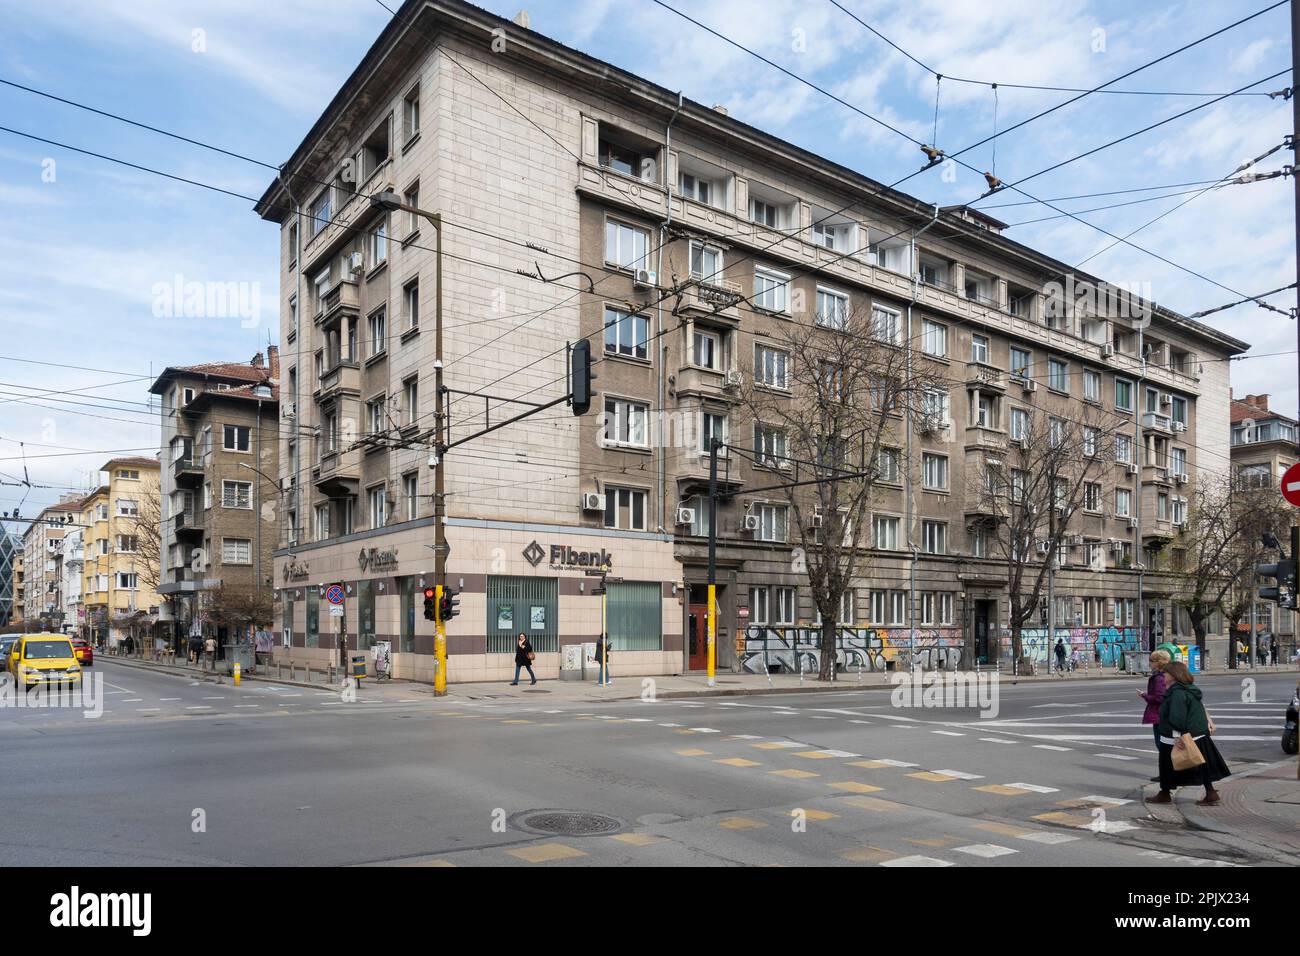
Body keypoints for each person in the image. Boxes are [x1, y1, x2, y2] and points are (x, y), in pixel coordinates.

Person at [1149, 660, 1230, 806]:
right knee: (1201, 764)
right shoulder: (1189, 688)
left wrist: (1178, 736)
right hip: (1198, 734)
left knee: (1167, 765)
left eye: (1166, 673)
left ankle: (1165, 793)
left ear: (1173, 675)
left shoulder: (1177, 693)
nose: (1163, 675)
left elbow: (1177, 717)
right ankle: (1210, 792)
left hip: (1180, 735)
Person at [1138, 650, 1171, 758]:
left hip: (1159, 714)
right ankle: (1168, 770)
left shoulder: (1159, 678)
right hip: (1163, 714)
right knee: (1163, 744)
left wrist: (1144, 695)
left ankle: (1168, 771)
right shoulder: (1166, 675)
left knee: (1161, 744)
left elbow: (1159, 698)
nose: (1149, 663)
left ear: (1158, 662)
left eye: (1151, 660)